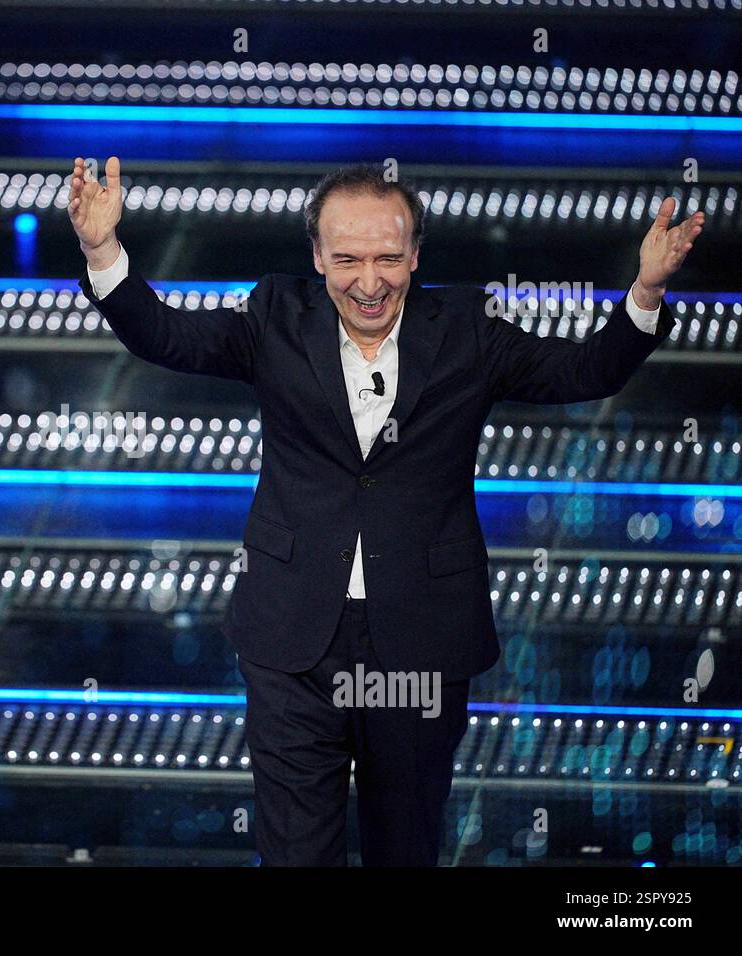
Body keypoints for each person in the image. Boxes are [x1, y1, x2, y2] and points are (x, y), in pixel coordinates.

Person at [67, 156, 702, 865]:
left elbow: (585, 372)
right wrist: (102, 249)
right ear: (316, 256)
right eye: (347, 260)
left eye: (388, 259)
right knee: (297, 854)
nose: (369, 283)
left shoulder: (468, 326)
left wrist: (646, 289)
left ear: (416, 253)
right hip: (291, 640)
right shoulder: (276, 312)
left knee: (404, 848)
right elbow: (166, 336)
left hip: (422, 640)